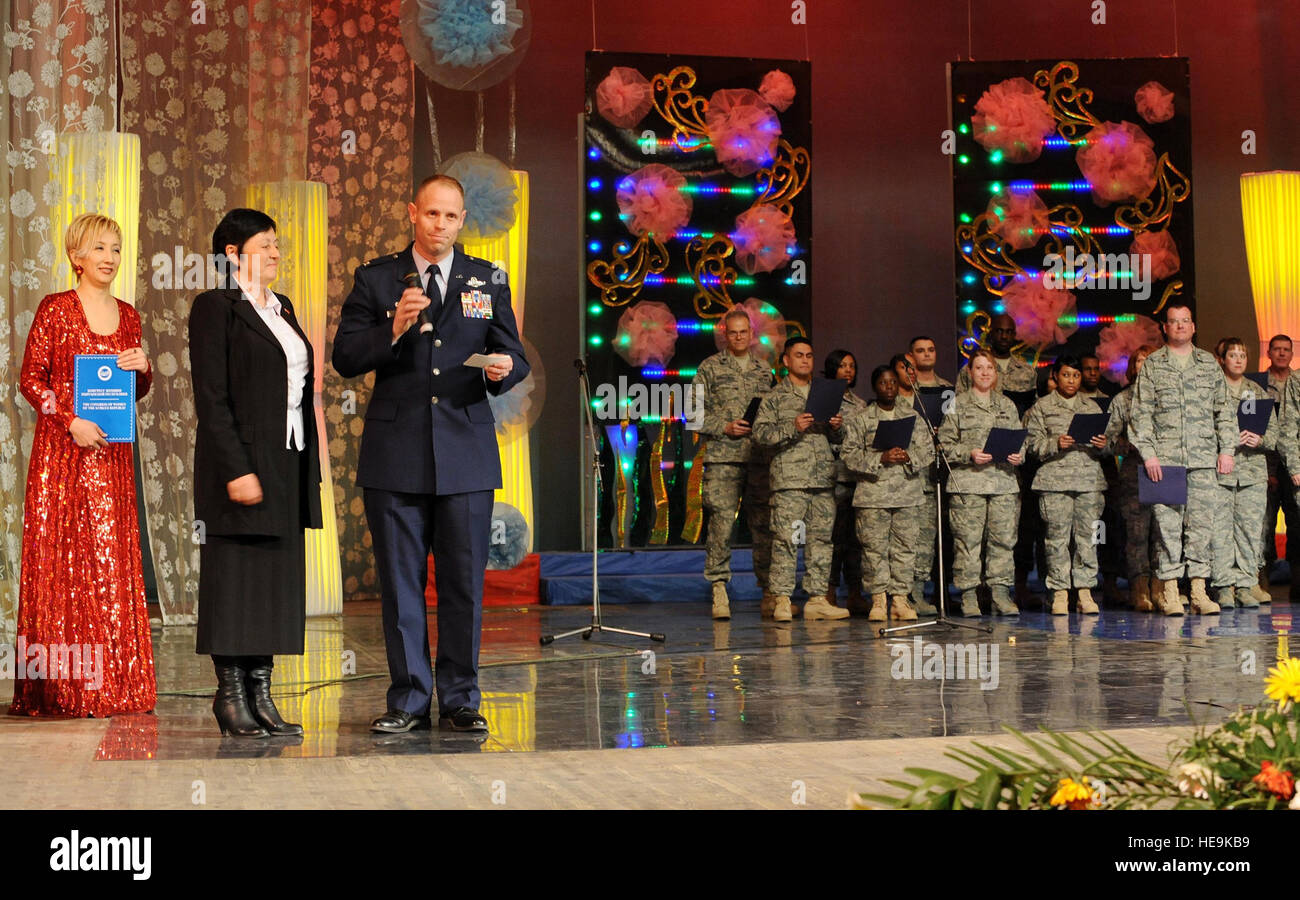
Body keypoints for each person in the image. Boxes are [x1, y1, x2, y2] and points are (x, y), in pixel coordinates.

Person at [332, 174, 528, 734]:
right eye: (432, 213)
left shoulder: (487, 278)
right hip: (396, 454)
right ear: (412, 213)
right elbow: (345, 356)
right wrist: (392, 328)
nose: (440, 224)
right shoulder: (376, 277)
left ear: (463, 221)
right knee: (401, 584)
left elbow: (513, 352)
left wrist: (504, 369)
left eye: (451, 216)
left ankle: (461, 699)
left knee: (464, 582)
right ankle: (409, 699)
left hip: (466, 452)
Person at [11, 213, 154, 718]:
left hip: (111, 458)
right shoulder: (55, 309)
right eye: (99, 248)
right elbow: (31, 380)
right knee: (64, 567)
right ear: (76, 256)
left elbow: (133, 392)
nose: (109, 257)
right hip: (62, 457)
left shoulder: (129, 315)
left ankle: (116, 684)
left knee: (110, 565)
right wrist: (69, 420)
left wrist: (144, 370)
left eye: (115, 248)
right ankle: (64, 688)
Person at [189, 209, 324, 738]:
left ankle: (261, 694)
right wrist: (236, 468)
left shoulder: (281, 305)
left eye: (276, 244)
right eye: (264, 244)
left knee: (273, 580)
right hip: (239, 464)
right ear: (232, 253)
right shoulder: (215, 307)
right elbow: (212, 398)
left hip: (287, 458)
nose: (275, 252)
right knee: (235, 579)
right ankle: (230, 696)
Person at [1130, 304, 1237, 617]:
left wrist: (1227, 450)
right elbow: (1141, 413)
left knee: (1201, 528)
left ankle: (1199, 591)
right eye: (1174, 322)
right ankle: (1170, 592)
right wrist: (1149, 454)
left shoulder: (1208, 363)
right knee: (1167, 530)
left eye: (1185, 321)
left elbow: (1224, 411)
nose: (1180, 326)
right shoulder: (1153, 365)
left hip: (1203, 460)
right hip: (1165, 462)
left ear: (1193, 327)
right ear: (1165, 327)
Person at [752, 337, 849, 622]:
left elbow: (839, 440)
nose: (805, 360)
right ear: (786, 361)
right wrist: (792, 427)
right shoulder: (774, 397)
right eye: (799, 355)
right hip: (790, 482)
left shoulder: (825, 393)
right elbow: (759, 435)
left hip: (822, 479)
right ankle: (782, 599)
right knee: (786, 540)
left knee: (821, 541)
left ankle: (817, 599)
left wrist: (836, 427)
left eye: (809, 355)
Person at [692, 307, 775, 620]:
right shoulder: (709, 367)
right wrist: (724, 426)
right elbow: (693, 414)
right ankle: (719, 589)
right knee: (721, 525)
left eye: (744, 332)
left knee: (764, 526)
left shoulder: (765, 369)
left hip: (758, 457)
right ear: (724, 334)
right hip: (724, 458)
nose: (739, 337)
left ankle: (769, 592)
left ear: (752, 334)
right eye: (733, 332)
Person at [841, 365, 934, 621]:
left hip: (907, 493)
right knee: (874, 550)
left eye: (893, 382)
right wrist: (879, 458)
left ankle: (900, 600)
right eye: (883, 383)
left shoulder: (912, 416)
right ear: (875, 386)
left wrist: (909, 456)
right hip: (873, 495)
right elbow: (848, 455)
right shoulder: (861, 418)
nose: (889, 387)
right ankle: (879, 600)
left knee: (906, 548)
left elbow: (928, 450)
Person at [937, 349, 1025, 616]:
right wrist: (969, 453)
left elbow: (1021, 440)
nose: (985, 372)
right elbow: (943, 445)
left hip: (1003, 483)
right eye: (979, 367)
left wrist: (1019, 454)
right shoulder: (955, 403)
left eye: (990, 368)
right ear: (969, 372)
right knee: (968, 542)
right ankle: (969, 596)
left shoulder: (1007, 405)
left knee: (1003, 541)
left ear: (996, 373)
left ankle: (1000, 594)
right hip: (969, 484)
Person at [1024, 355, 1109, 615]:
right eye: (1065, 375)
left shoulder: (1092, 407)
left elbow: (1108, 448)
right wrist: (1055, 443)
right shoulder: (1042, 406)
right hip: (1054, 482)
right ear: (1055, 376)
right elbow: (1030, 445)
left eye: (1076, 375)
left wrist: (1103, 445)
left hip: (1088, 481)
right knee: (1056, 539)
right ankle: (1059, 592)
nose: (1071, 380)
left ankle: (1085, 591)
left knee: (1089, 538)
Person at [1212, 338, 1274, 609]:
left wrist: (1260, 440)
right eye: (1233, 355)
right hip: (1221, 472)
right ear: (1222, 359)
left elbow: (1274, 434)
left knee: (1250, 531)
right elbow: (1201, 429)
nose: (1238, 360)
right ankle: (1224, 586)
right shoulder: (1213, 389)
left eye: (1242, 356)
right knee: (1221, 531)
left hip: (1252, 472)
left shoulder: (1257, 392)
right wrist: (1227, 441)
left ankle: (1247, 584)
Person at [1103, 345, 1158, 610]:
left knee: (1164, 533)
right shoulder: (1122, 400)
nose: (1143, 366)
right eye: (1139, 361)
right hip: (1134, 473)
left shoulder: (1167, 396)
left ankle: (1163, 587)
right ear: (1132, 367)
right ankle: (1140, 588)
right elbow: (1106, 441)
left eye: (1149, 361)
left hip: (1164, 472)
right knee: (1137, 534)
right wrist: (1127, 446)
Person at [904, 335, 952, 616]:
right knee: (911, 537)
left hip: (939, 471)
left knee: (932, 537)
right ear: (910, 356)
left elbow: (953, 424)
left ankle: (930, 592)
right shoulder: (905, 387)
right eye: (920, 351)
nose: (926, 354)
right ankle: (907, 594)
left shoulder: (947, 390)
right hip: (910, 473)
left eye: (931, 349)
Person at [823, 349, 867, 614]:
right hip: (833, 476)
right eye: (842, 366)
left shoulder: (860, 404)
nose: (848, 370)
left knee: (855, 540)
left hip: (856, 478)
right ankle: (829, 592)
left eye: (851, 366)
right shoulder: (823, 398)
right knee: (834, 539)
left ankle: (855, 592)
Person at [1261, 334, 1297, 603]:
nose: (1282, 353)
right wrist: (1268, 470)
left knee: (1295, 524)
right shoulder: (1257, 384)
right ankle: (1261, 579)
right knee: (1265, 525)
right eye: (1277, 349)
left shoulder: (1296, 381)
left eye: (1286, 349)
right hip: (1268, 463)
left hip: (1293, 464)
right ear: (1269, 353)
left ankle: (1297, 581)